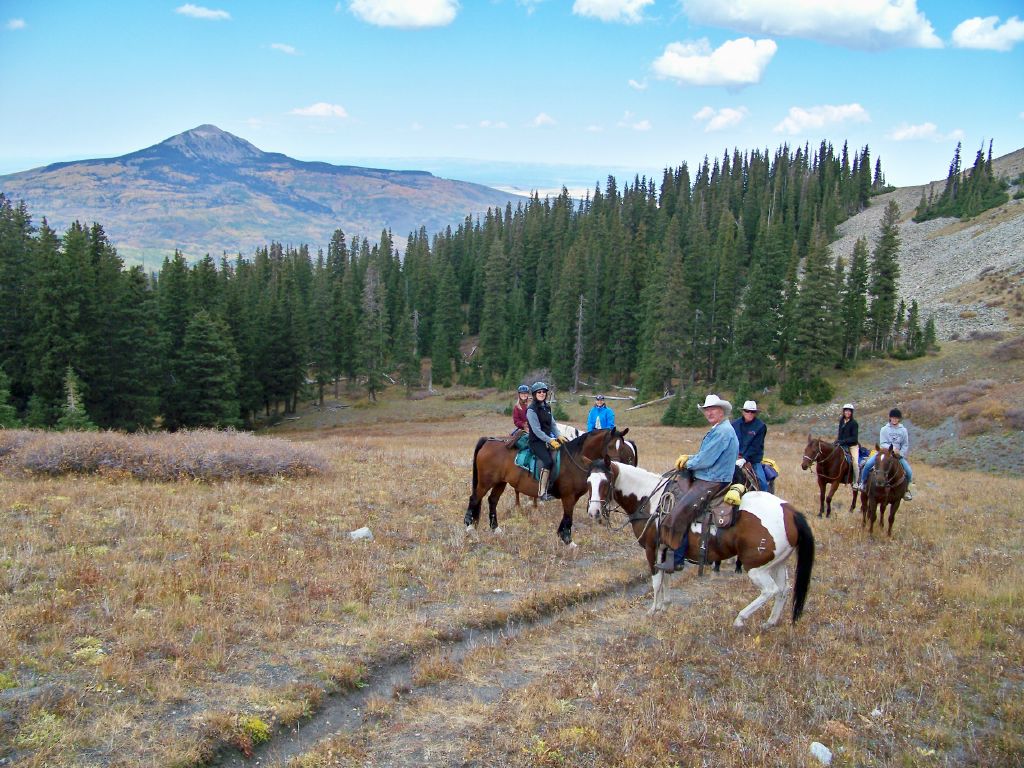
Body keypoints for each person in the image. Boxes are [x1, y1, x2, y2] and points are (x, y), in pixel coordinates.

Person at [656, 394, 740, 572]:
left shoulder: (722, 432)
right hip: (711, 475)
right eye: (707, 410)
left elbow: (706, 460)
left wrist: (688, 462)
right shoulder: (720, 429)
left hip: (712, 479)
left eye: (713, 409)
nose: (709, 413)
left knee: (681, 509)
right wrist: (691, 459)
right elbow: (705, 456)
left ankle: (676, 559)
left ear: (721, 411)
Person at [859, 408, 915, 500]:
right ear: (890, 418)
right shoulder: (884, 429)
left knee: (909, 472)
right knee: (868, 464)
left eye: (896, 418)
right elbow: (882, 443)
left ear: (899, 419)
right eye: (893, 418)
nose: (894, 419)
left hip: (897, 455)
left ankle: (905, 490)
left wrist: (900, 453)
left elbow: (905, 444)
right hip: (884, 453)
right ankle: (862, 483)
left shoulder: (903, 430)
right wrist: (892, 449)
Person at [525, 381, 565, 501]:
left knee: (562, 455)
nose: (542, 394)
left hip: (548, 439)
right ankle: (542, 492)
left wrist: (559, 435)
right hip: (536, 442)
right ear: (534, 394)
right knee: (548, 461)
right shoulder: (531, 410)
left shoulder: (547, 407)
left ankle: (555, 487)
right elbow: (536, 431)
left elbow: (552, 424)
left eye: (544, 392)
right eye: (539, 392)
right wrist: (550, 440)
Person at [731, 400, 768, 491]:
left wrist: (744, 459)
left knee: (762, 483)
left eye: (752, 412)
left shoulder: (760, 426)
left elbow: (756, 446)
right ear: (743, 411)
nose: (750, 413)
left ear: (755, 413)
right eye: (747, 411)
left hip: (753, 460)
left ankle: (765, 499)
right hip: (734, 458)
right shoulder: (734, 424)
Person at [837, 403, 861, 489]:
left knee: (855, 463)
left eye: (849, 411)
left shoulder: (854, 423)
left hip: (852, 446)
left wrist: (843, 441)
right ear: (843, 412)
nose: (847, 412)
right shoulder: (841, 421)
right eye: (846, 411)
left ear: (851, 412)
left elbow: (854, 438)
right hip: (842, 444)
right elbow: (840, 434)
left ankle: (856, 482)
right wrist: (838, 441)